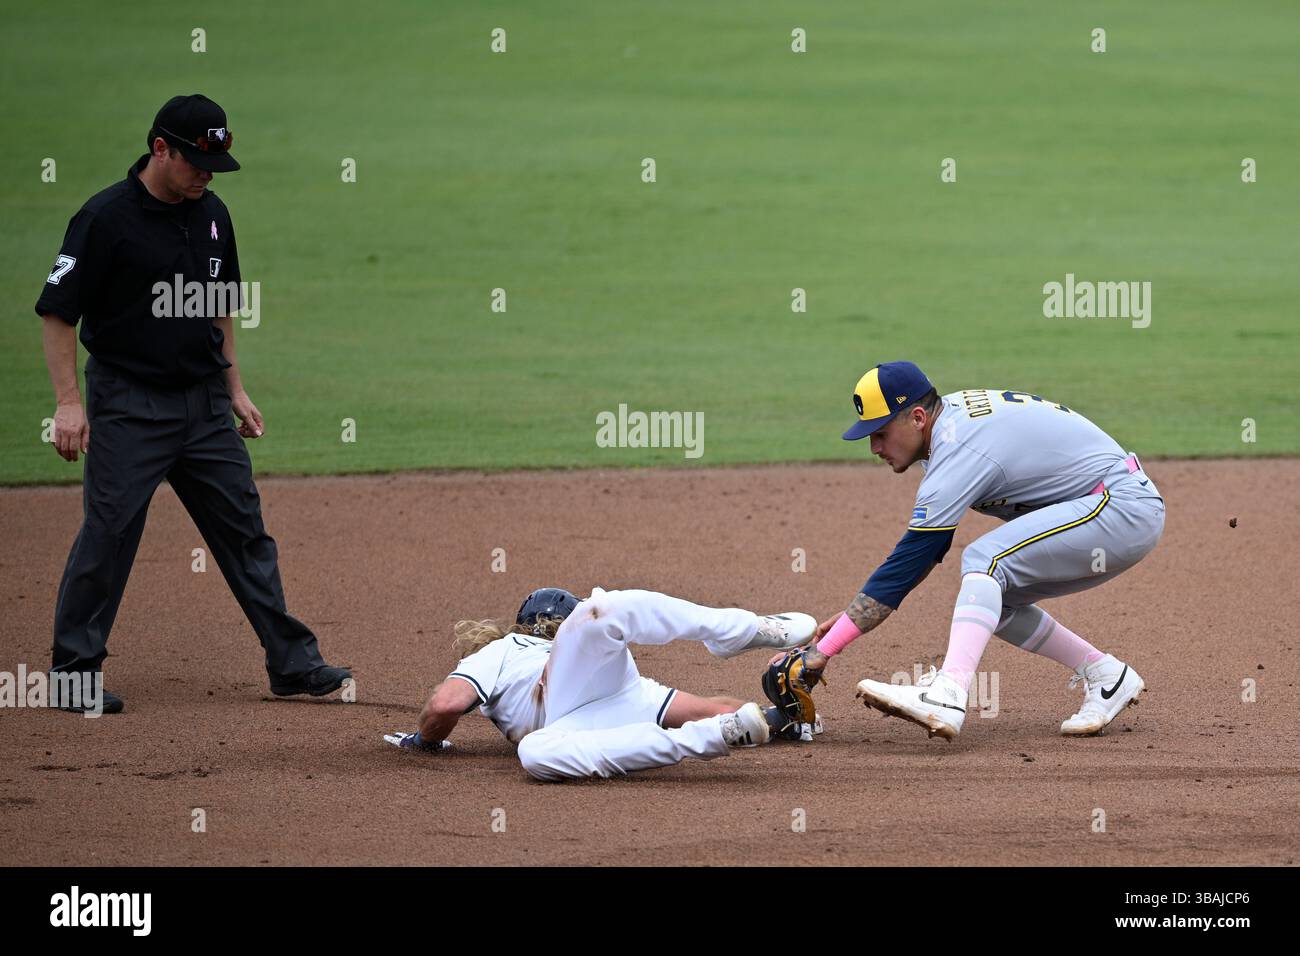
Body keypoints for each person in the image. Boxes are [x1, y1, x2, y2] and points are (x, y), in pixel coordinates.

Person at [35, 94, 350, 713]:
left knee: (245, 532)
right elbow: (56, 312)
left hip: (204, 404)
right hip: (128, 403)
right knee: (110, 532)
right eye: (197, 163)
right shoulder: (104, 218)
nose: (207, 176)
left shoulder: (212, 213)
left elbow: (219, 304)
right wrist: (68, 404)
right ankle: (73, 673)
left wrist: (234, 387)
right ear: (160, 149)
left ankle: (291, 663)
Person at [777, 361, 1164, 739]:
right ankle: (1105, 674)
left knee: (984, 560)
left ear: (916, 418)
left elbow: (907, 565)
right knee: (993, 597)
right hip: (1115, 508)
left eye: (880, 432)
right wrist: (845, 622)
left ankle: (949, 691)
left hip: (1118, 506)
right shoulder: (948, 429)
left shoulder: (958, 446)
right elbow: (925, 554)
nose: (874, 447)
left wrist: (825, 649)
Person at [384, 587, 820, 780]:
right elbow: (710, 707)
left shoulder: (505, 648)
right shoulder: (617, 679)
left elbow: (445, 705)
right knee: (534, 754)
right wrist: (783, 717)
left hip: (579, 706)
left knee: (534, 754)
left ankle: (742, 632)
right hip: (595, 706)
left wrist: (423, 742)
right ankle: (717, 729)